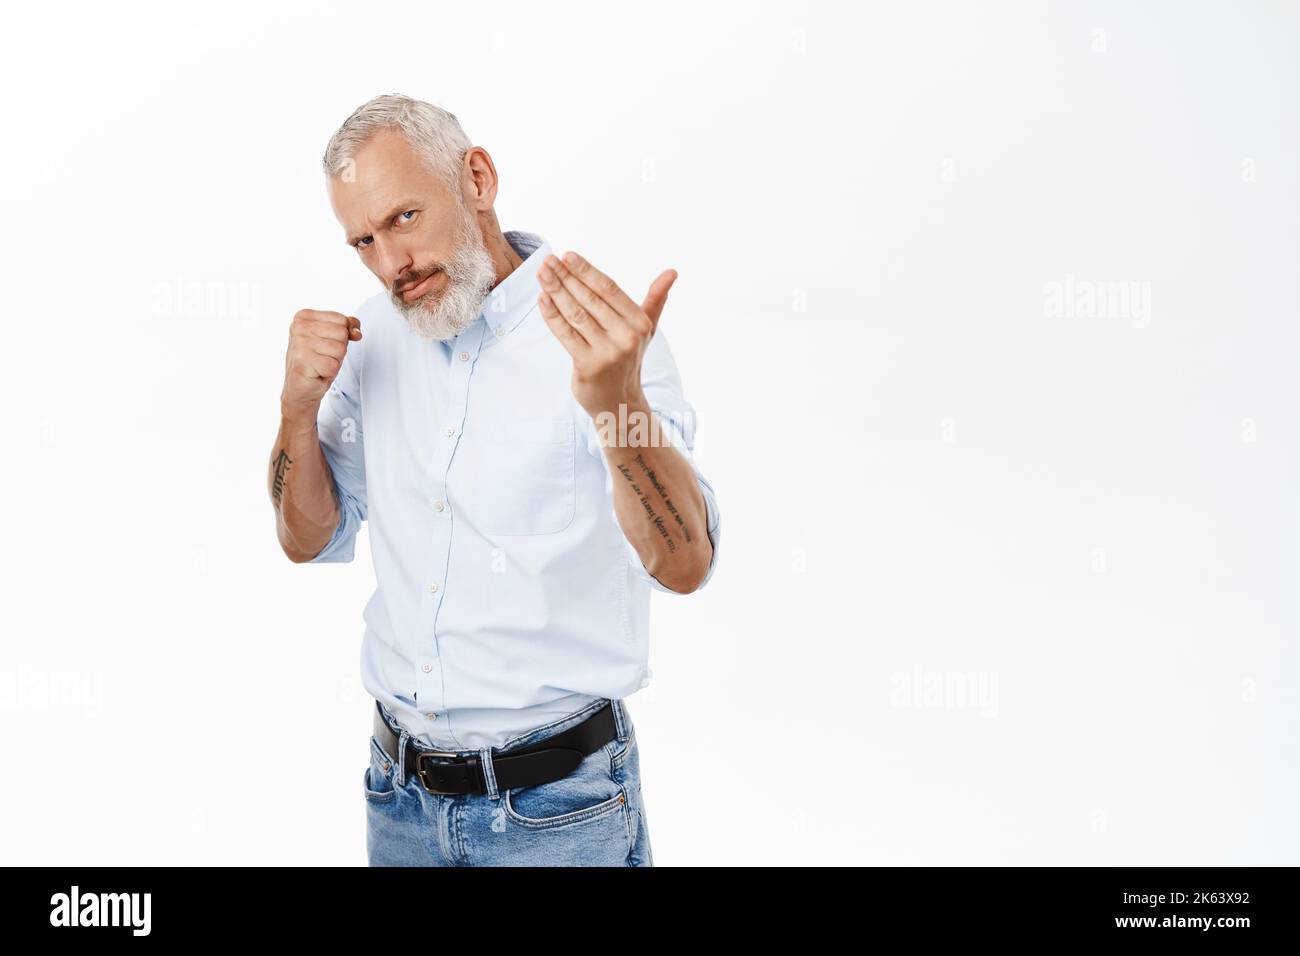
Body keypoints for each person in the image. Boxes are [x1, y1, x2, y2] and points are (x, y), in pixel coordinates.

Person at [266, 94, 721, 866]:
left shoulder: (594, 335)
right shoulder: (369, 338)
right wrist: (295, 409)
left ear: (476, 177)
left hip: (558, 817)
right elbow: (306, 540)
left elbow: (685, 564)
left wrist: (617, 404)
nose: (390, 265)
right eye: (363, 241)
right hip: (398, 799)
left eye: (404, 218)